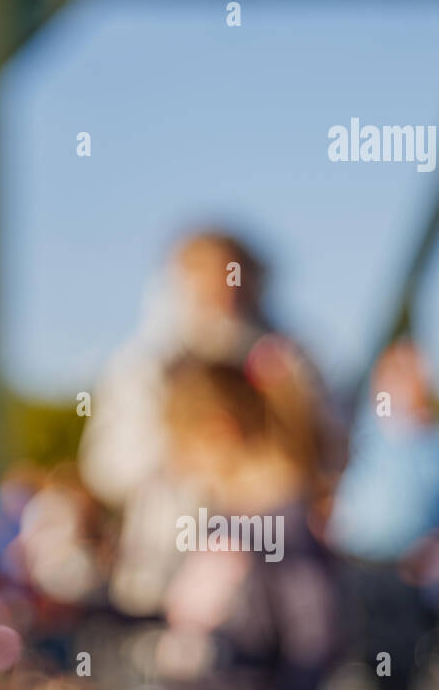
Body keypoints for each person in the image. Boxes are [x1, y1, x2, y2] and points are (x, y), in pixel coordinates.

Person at [80, 232, 344, 616]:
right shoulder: (142, 369)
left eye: (231, 280)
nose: (222, 297)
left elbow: (328, 452)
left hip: (273, 573)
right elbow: (106, 470)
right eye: (204, 283)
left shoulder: (287, 360)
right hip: (165, 574)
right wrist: (183, 445)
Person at [156, 347, 342, 690]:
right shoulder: (225, 519)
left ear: (219, 432)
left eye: (182, 446)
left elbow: (314, 640)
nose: (176, 465)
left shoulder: (283, 526)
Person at [326, 339, 439, 690]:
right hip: (351, 573)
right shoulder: (350, 434)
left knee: (400, 685)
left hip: (411, 581)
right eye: (397, 375)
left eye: (415, 376)